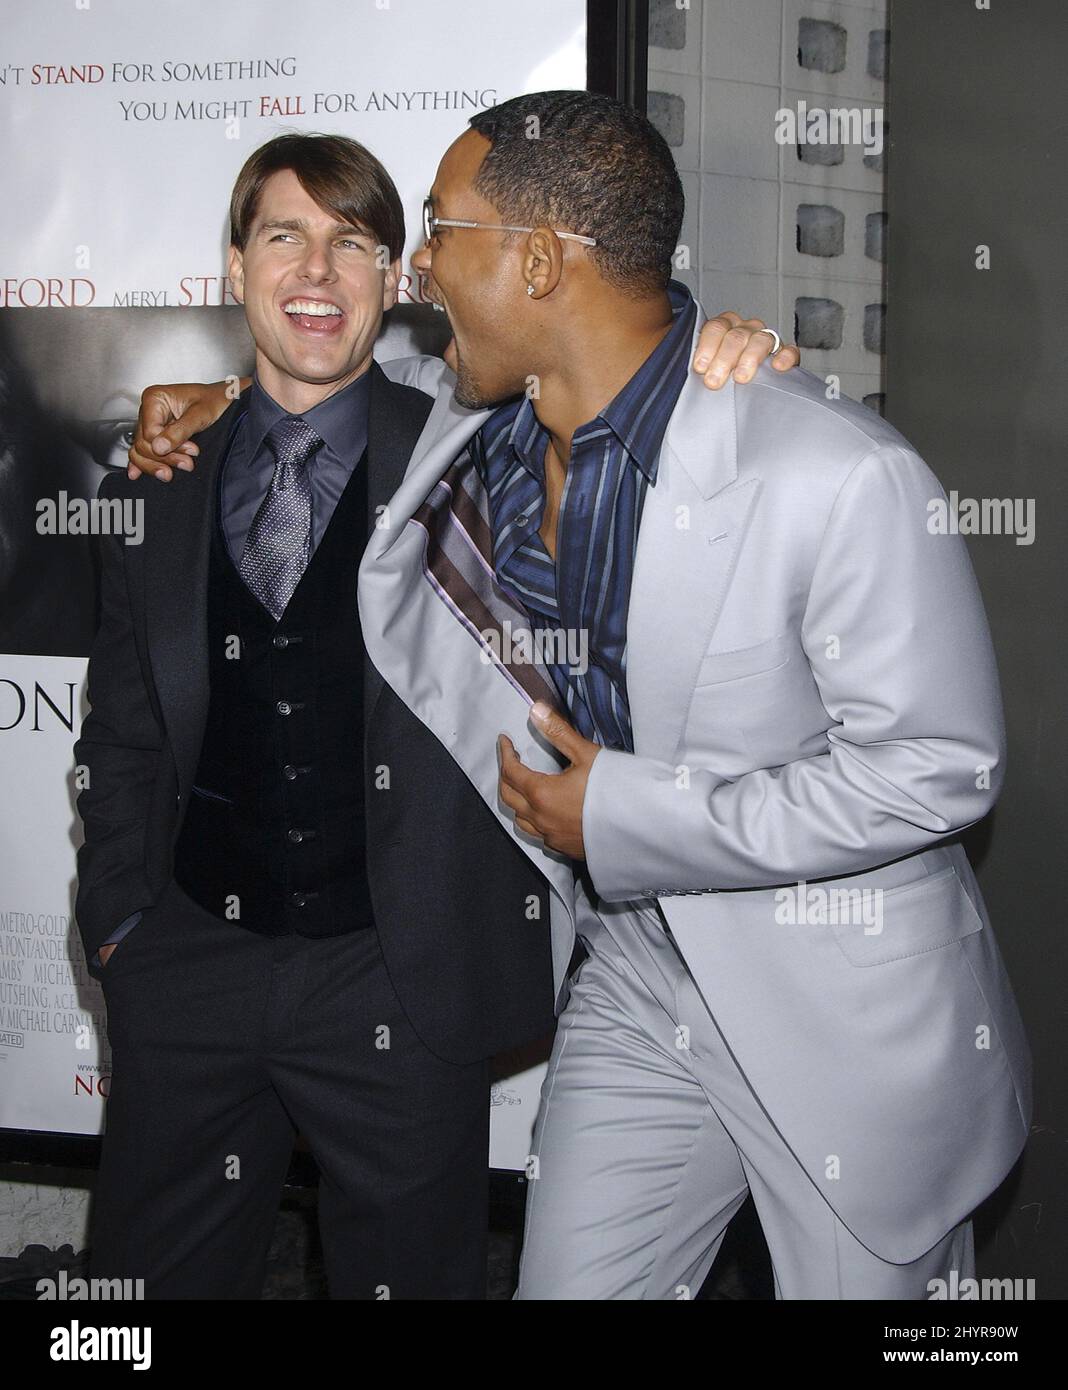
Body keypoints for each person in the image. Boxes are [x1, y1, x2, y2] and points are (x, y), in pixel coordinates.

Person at [78, 128, 792, 1300]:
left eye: (353, 245)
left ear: (399, 281)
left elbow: (620, 381)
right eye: (285, 238)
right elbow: (121, 733)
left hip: (398, 987)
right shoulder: (156, 480)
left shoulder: (481, 457)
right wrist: (123, 930)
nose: (317, 273)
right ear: (232, 265)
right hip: (186, 968)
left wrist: (725, 337)